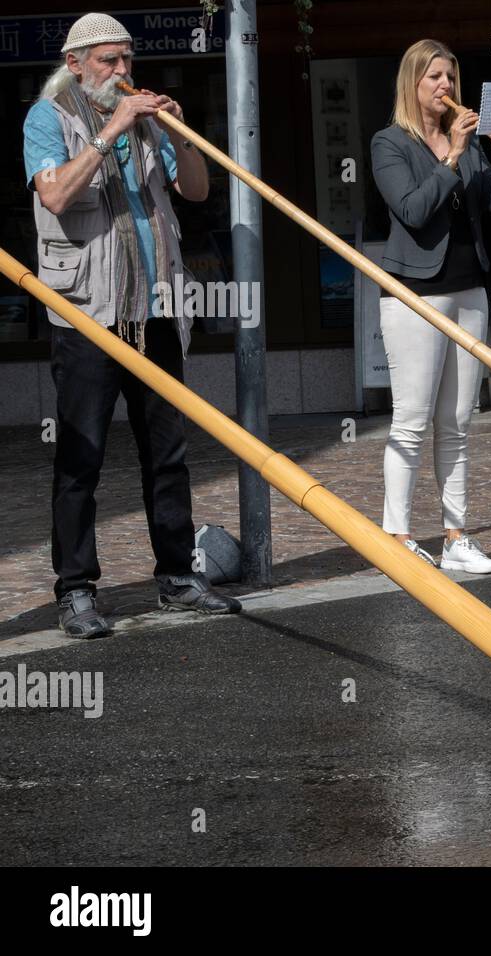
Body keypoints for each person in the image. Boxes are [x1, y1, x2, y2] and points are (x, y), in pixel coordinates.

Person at [23, 13, 241, 638]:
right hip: (87, 315)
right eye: (109, 62)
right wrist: (111, 130)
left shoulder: (146, 121)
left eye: (127, 61)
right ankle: (76, 589)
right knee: (80, 458)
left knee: (167, 453)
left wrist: (180, 134)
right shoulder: (49, 118)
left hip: (157, 311)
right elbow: (56, 196)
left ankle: (176, 575)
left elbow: (195, 191)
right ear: (76, 64)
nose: (123, 73)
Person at [370, 39, 491, 574]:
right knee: (411, 420)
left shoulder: (470, 139)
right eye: (435, 78)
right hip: (415, 293)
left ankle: (456, 535)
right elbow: (412, 209)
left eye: (452, 79)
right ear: (413, 84)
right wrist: (452, 155)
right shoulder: (389, 143)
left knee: (458, 421)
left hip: (469, 288)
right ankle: (398, 536)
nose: (446, 88)